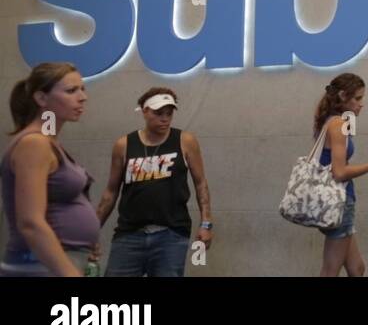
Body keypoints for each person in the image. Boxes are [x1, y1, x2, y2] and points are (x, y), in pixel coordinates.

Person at [95, 87, 213, 277]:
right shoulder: (124, 145)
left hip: (171, 234)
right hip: (129, 234)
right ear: (144, 111)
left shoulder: (185, 141)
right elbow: (110, 192)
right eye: (159, 113)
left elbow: (201, 184)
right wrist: (91, 231)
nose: (165, 118)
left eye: (169, 113)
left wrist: (206, 223)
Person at [0, 62, 99, 277]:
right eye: (71, 91)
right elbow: (30, 222)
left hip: (59, 261)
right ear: (41, 98)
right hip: (39, 265)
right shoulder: (34, 144)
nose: (82, 97)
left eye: (83, 89)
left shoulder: (49, 140)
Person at [316, 73, 368, 277]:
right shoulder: (338, 125)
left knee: (357, 268)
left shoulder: (333, 121)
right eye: (357, 98)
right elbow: (339, 172)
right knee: (330, 270)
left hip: (339, 202)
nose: (361, 104)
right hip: (339, 203)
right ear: (342, 96)